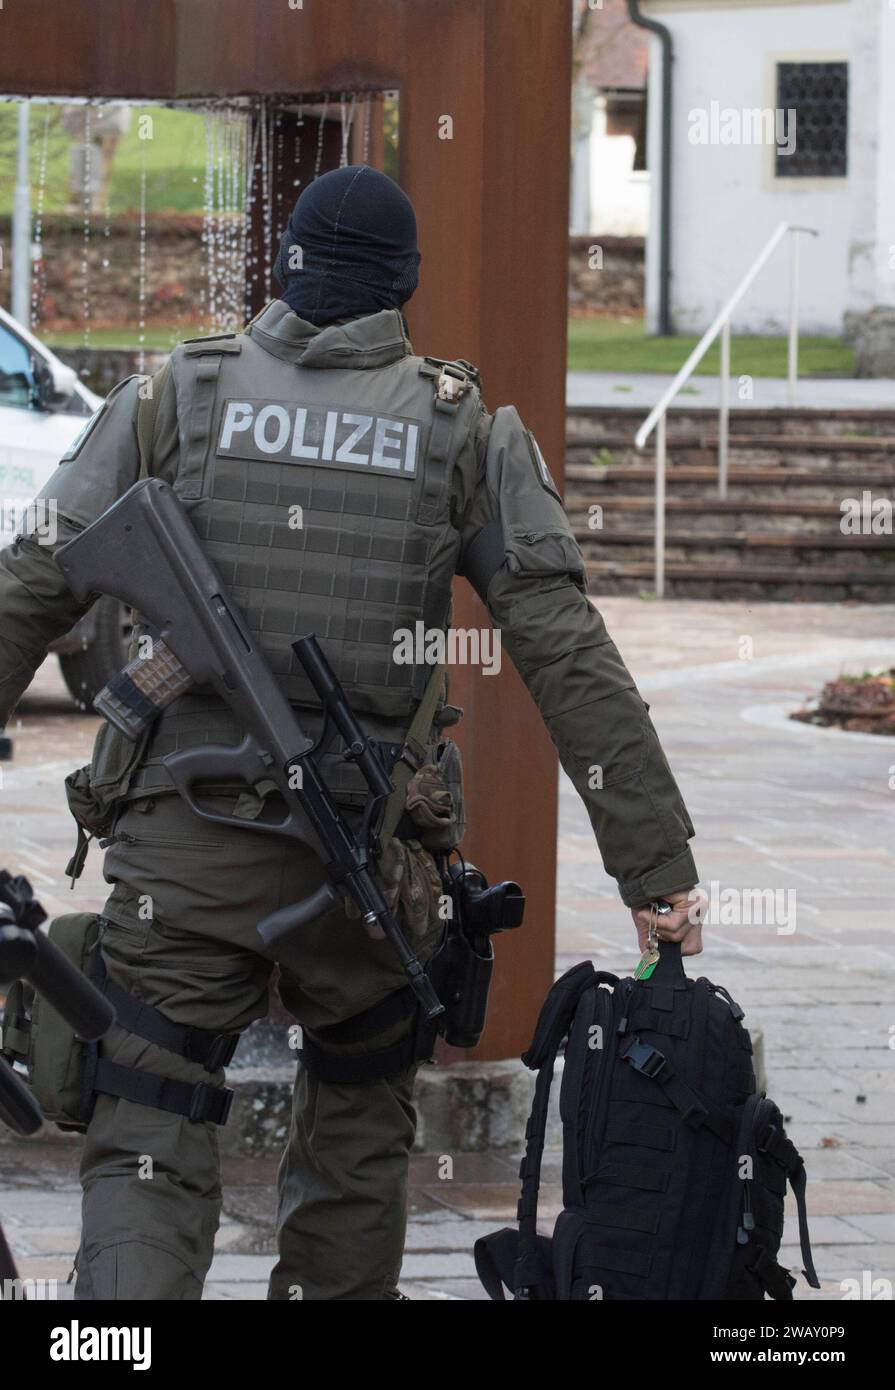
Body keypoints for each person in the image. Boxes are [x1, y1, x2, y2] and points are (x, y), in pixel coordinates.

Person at [0, 165, 700, 1300]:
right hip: (366, 858)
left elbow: (28, 588)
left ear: (283, 269)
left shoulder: (173, 395)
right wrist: (656, 866)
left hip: (181, 851)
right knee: (363, 1125)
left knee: (149, 1117)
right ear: (403, 287)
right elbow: (565, 652)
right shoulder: (460, 428)